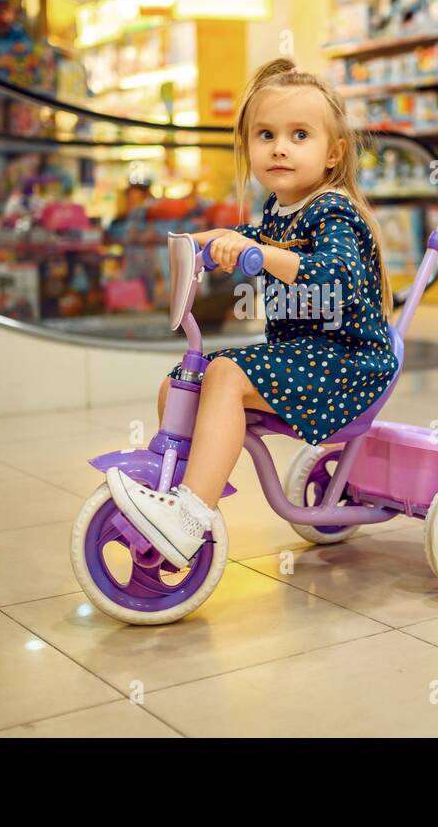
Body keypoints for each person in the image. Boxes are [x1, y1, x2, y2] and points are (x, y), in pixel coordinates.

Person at [105, 58, 398, 568]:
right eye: (266, 134)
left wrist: (255, 254)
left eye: (299, 135)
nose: (279, 147)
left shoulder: (334, 211)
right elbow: (254, 239)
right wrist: (213, 243)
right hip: (303, 357)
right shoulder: (277, 210)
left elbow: (336, 275)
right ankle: (173, 484)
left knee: (225, 372)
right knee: (183, 380)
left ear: (334, 154)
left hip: (347, 364)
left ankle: (191, 514)